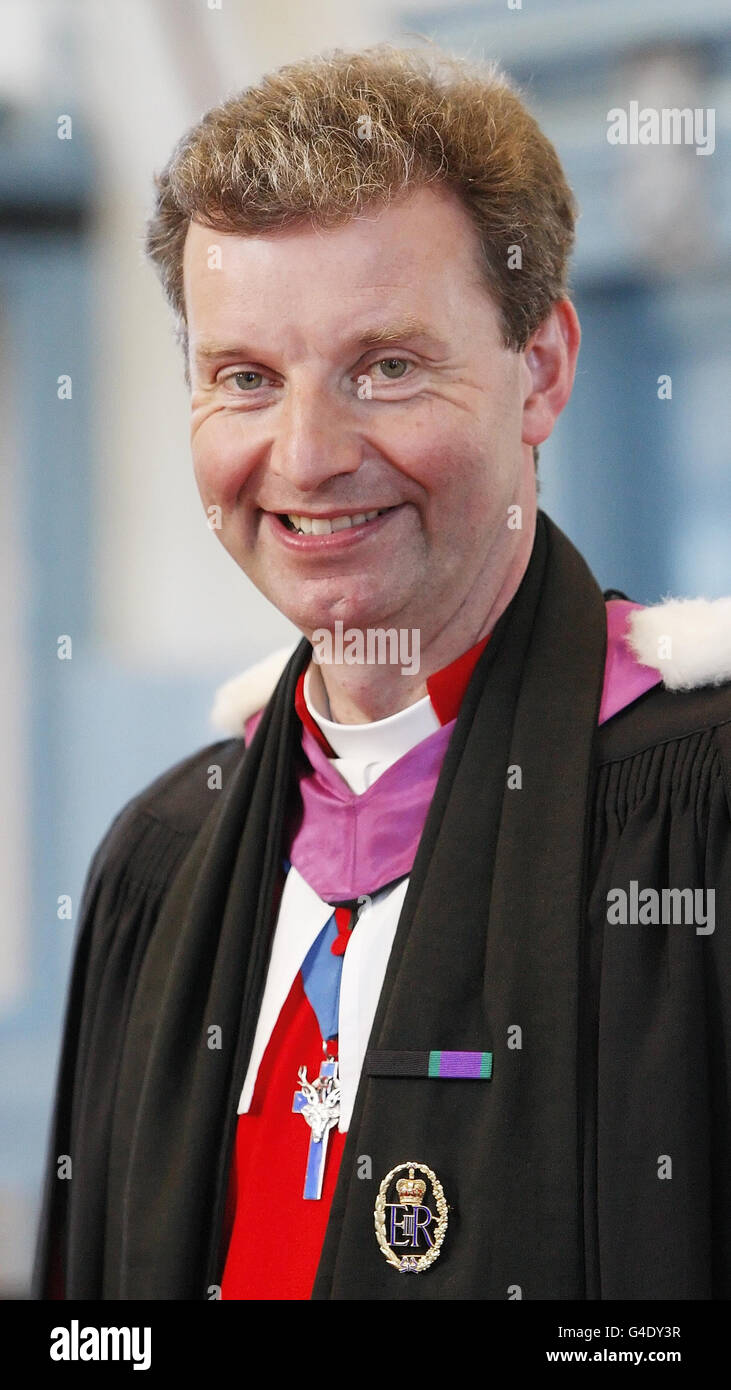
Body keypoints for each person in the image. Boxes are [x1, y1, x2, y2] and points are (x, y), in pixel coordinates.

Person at [32, 43, 731, 1302]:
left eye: (387, 368)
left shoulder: (701, 819)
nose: (305, 458)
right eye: (245, 380)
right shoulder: (157, 863)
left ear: (544, 370)